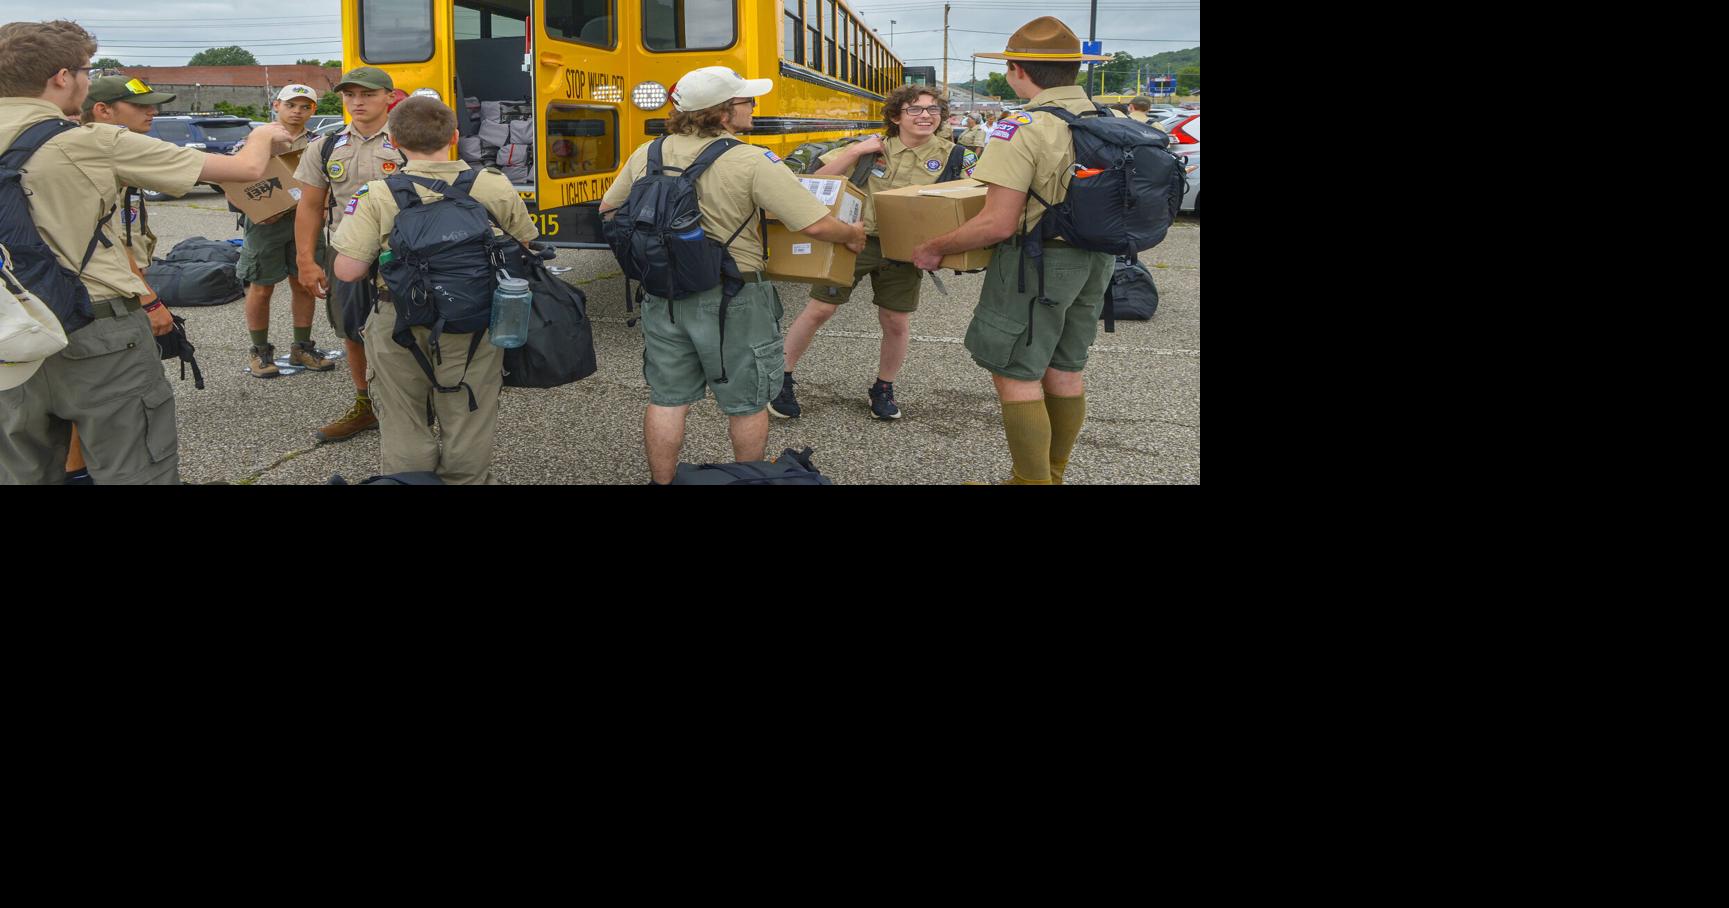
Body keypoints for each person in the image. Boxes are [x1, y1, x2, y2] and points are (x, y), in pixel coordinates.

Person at [0, 19, 292, 485]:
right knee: (134, 465)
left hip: (10, 329)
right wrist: (263, 135)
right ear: (60, 77)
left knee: (20, 468)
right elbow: (245, 168)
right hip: (95, 328)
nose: (86, 78)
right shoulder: (90, 140)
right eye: (85, 70)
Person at [598, 66, 865, 485]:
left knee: (667, 399)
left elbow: (609, 211)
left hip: (664, 293)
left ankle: (661, 483)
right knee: (747, 403)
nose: (753, 107)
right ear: (722, 113)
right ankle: (748, 480)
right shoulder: (750, 159)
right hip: (734, 296)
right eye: (746, 101)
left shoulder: (648, 153)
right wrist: (853, 234)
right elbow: (813, 224)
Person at [909, 17, 1113, 485]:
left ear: (1018, 70)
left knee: (1017, 373)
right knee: (1065, 367)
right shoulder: (1106, 118)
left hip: (1037, 262)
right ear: (1076, 69)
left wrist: (934, 246)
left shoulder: (1023, 126)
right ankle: (1052, 475)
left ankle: (1030, 481)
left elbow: (997, 221)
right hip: (1096, 259)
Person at [329, 96, 537, 484]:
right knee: (469, 416)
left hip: (399, 320)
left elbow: (348, 270)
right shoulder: (493, 185)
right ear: (455, 136)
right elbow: (526, 247)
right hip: (476, 318)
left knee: (403, 415)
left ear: (393, 140)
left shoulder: (377, 193)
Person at [771, 84, 972, 421]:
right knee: (820, 309)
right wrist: (853, 153)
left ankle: (883, 387)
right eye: (915, 109)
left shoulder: (956, 156)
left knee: (895, 320)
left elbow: (970, 198)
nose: (926, 115)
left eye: (933, 109)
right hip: (856, 241)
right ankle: (782, 377)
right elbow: (812, 182)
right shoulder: (868, 149)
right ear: (896, 116)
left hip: (908, 249)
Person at [66, 73, 175, 484]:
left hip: (122, 284)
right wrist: (150, 301)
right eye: (141, 106)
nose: (153, 112)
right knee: (103, 401)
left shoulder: (111, 153)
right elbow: (109, 242)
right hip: (109, 294)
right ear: (103, 111)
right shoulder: (94, 154)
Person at [292, 66, 403, 443]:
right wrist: (306, 261)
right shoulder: (325, 146)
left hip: (402, 256)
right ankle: (366, 404)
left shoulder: (409, 140)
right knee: (352, 329)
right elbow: (309, 207)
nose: (357, 102)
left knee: (412, 327)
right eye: (349, 94)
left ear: (389, 96)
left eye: (368, 94)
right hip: (346, 252)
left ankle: (415, 404)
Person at [237, 84, 334, 378]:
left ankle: (301, 347)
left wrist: (326, 208)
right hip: (266, 222)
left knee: (305, 283)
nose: (297, 112)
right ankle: (260, 350)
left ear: (313, 111)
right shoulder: (257, 138)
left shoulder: (321, 141)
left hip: (306, 219)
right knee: (261, 286)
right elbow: (229, 179)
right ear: (277, 105)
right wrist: (251, 209)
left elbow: (330, 179)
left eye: (305, 107)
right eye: (291, 105)